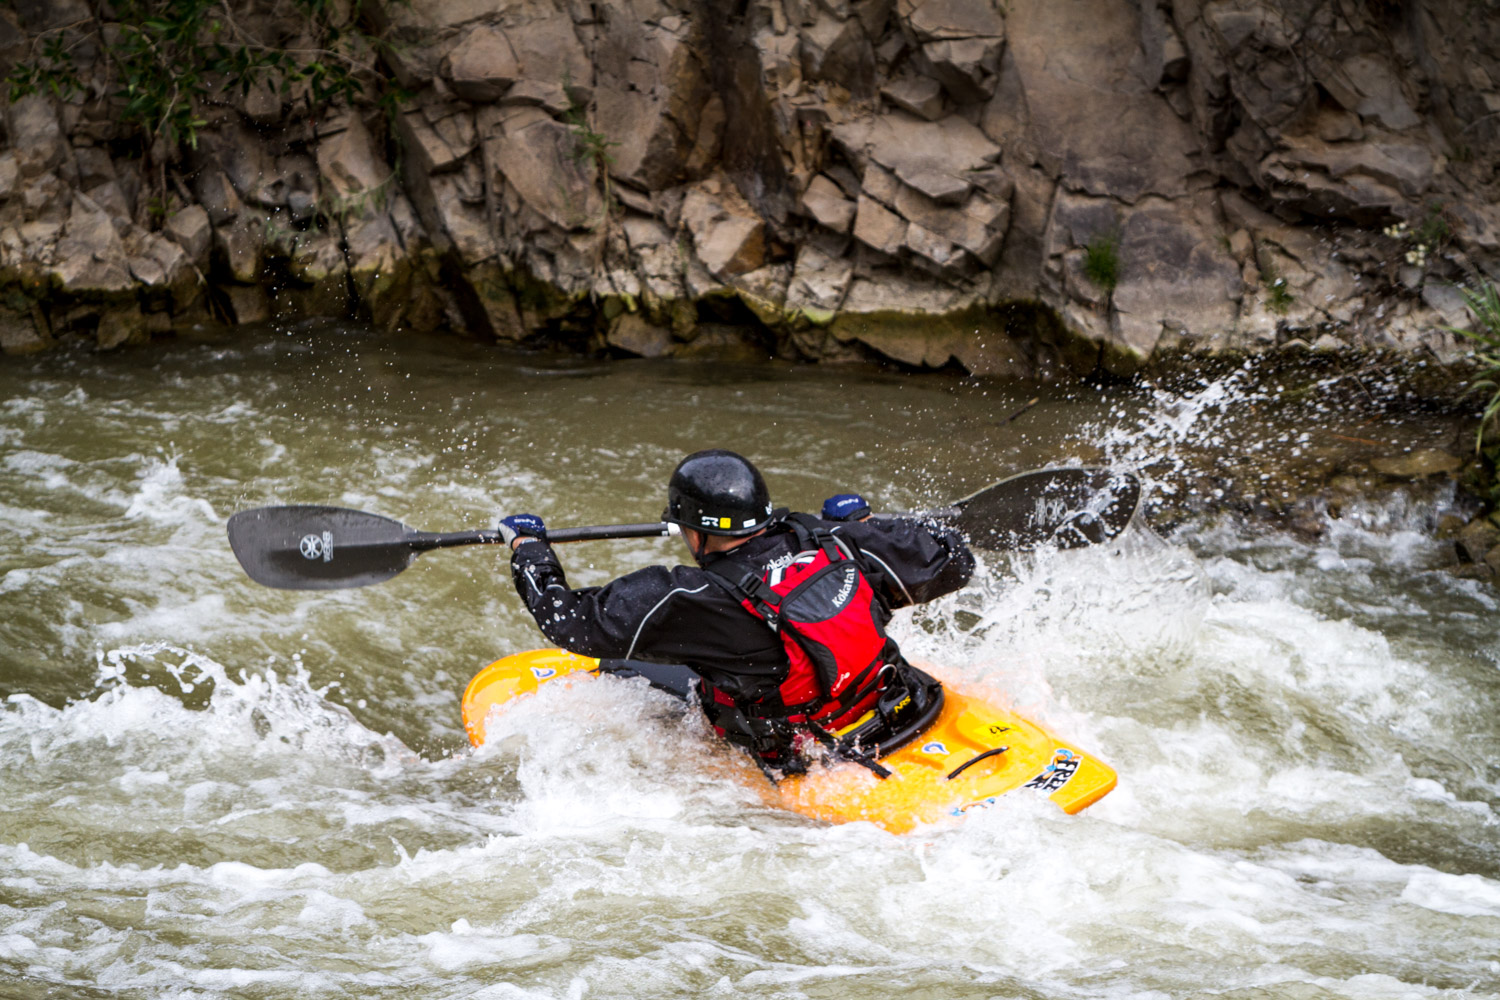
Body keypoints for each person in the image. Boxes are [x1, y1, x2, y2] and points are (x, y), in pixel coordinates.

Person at [497, 449, 975, 775]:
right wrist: (870, 528)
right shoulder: (839, 541)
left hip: (801, 755)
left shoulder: (691, 598)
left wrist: (529, 548)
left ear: (695, 533)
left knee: (623, 665)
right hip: (906, 710)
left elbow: (567, 622)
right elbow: (955, 558)